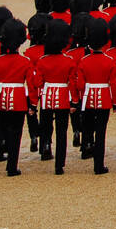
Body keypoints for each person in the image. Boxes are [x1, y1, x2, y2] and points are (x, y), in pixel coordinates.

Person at [33, 20, 77, 174]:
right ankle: (59, 164)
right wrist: (75, 101)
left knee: (46, 126)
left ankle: (45, 146)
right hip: (63, 97)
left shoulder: (42, 61)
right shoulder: (68, 61)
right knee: (62, 131)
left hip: (46, 97)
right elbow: (72, 84)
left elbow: (37, 82)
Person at [75, 18, 116, 173]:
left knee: (88, 129)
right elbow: (113, 84)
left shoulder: (84, 61)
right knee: (101, 133)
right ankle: (98, 165)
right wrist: (115, 102)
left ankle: (86, 147)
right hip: (104, 99)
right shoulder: (109, 61)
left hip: (87, 98)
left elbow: (80, 84)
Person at [0, 19, 32, 176]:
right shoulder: (24, 61)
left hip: (2, 99)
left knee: (4, 129)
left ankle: (2, 151)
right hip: (18, 100)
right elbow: (30, 84)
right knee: (16, 133)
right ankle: (12, 165)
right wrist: (32, 104)